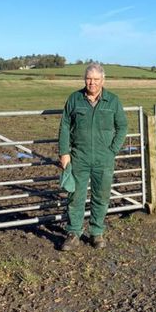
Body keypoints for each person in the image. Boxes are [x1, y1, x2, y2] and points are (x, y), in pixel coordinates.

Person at [58, 63, 128, 251]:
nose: (92, 83)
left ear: (103, 80)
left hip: (104, 159)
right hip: (79, 157)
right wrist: (64, 152)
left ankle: (96, 233)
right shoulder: (74, 99)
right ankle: (73, 233)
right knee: (75, 196)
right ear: (84, 79)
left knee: (101, 197)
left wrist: (112, 150)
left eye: (96, 79)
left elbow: (122, 127)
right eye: (89, 79)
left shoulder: (112, 101)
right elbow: (64, 125)